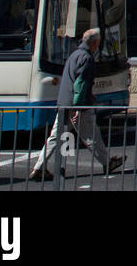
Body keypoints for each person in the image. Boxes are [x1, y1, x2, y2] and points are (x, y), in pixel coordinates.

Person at [30, 28, 124, 181]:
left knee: (55, 137)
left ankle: (39, 167)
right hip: (77, 105)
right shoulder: (86, 58)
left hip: (64, 103)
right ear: (94, 43)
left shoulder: (74, 55)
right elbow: (80, 84)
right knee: (91, 135)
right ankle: (108, 163)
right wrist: (78, 107)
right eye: (98, 42)